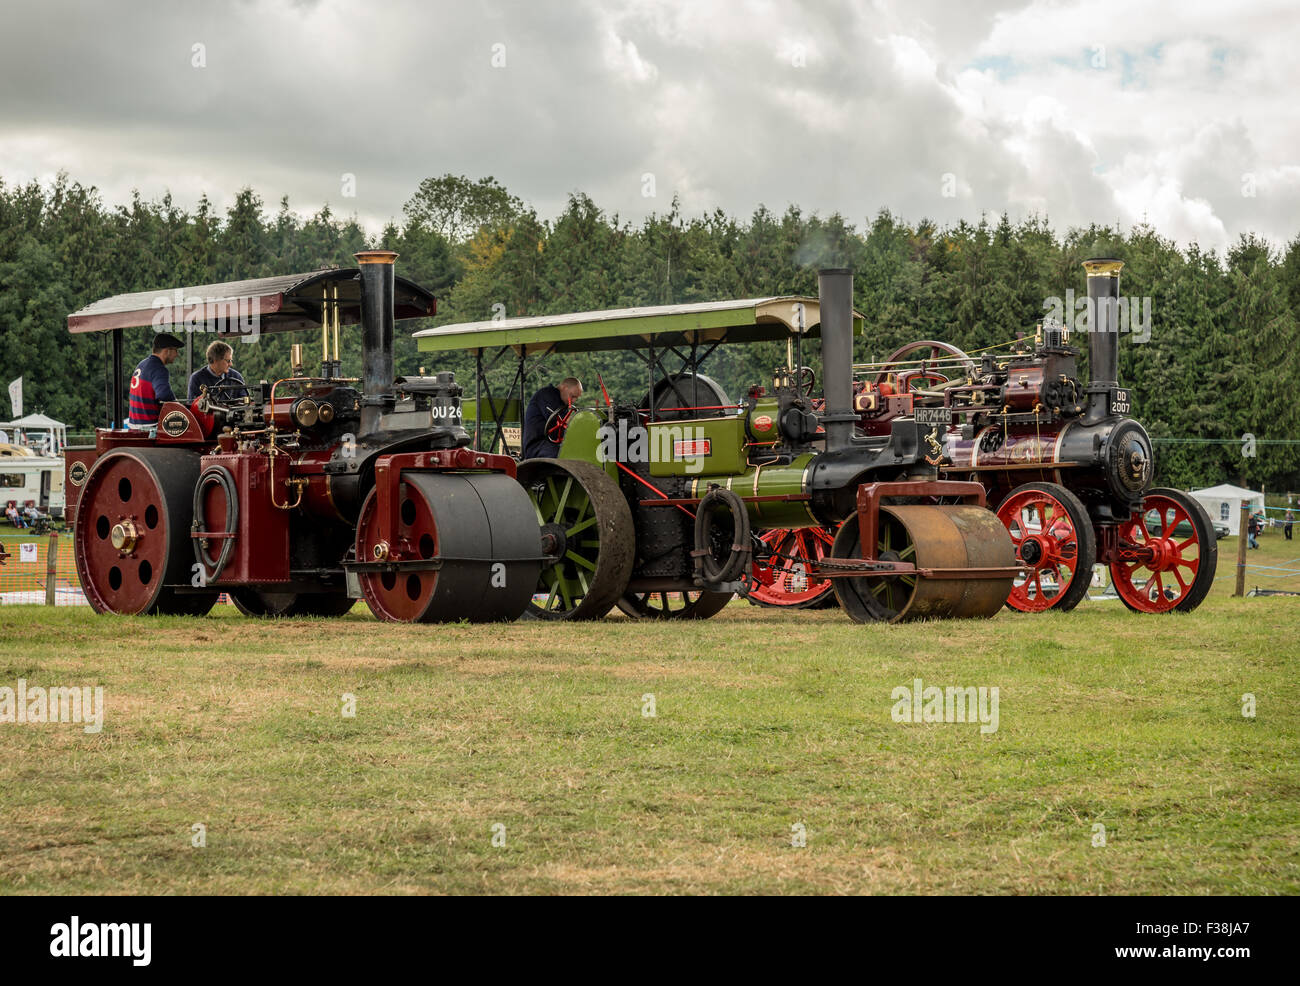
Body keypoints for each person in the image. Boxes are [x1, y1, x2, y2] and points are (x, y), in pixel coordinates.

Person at [128, 332, 184, 430]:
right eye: (176, 350)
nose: (177, 355)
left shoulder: (142, 364)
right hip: (149, 428)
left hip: (133, 425)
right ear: (168, 351)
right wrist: (181, 408)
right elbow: (164, 395)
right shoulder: (159, 369)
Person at [522, 377, 583, 459]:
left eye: (576, 398)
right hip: (536, 445)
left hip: (552, 443)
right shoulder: (546, 394)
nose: (573, 401)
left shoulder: (562, 404)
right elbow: (560, 421)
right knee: (562, 454)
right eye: (572, 396)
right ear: (564, 387)